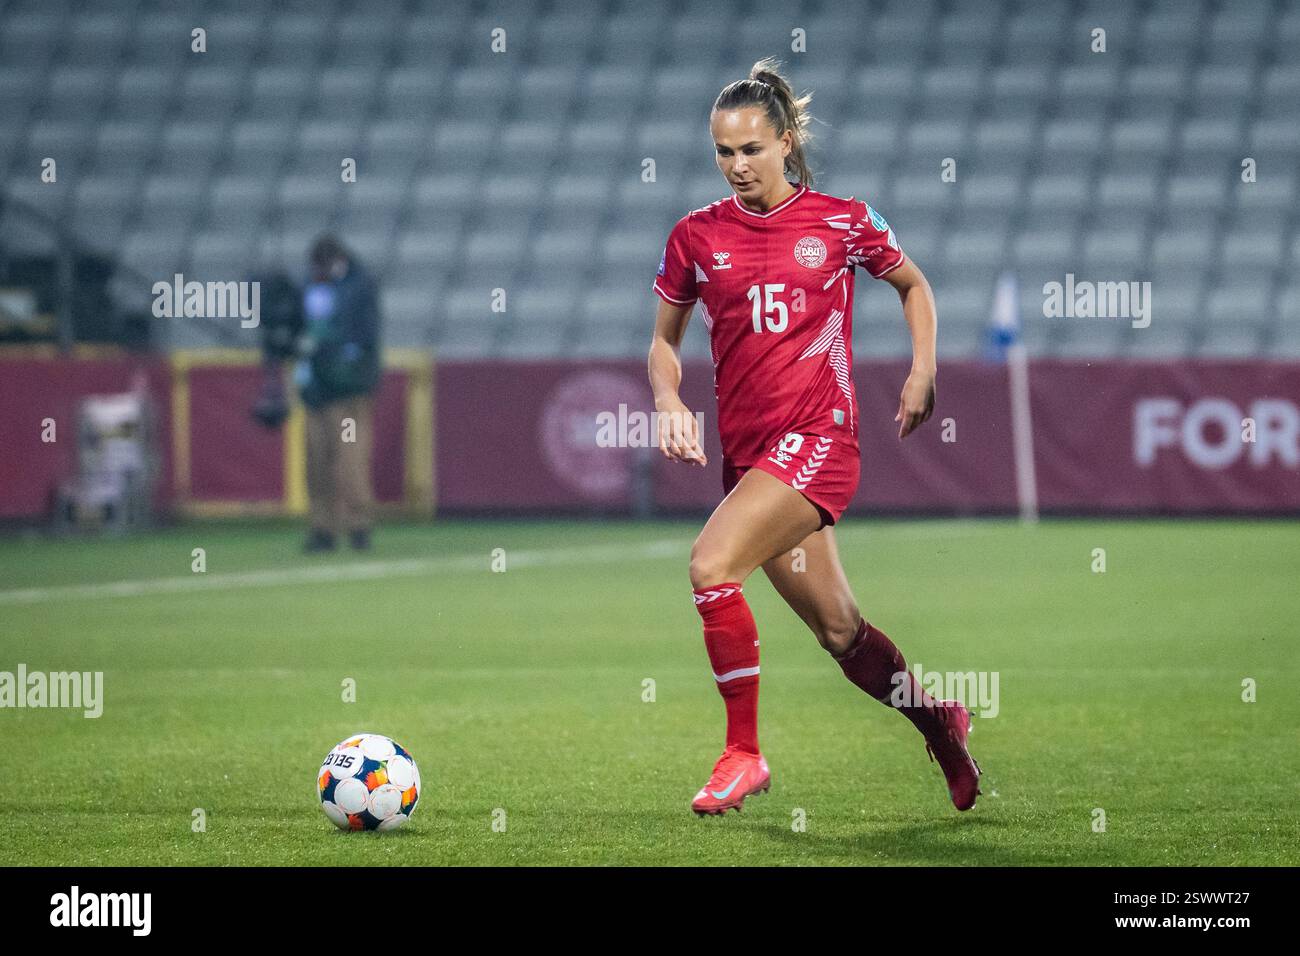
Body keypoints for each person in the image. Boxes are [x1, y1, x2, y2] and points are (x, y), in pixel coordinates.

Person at [647, 59, 981, 815]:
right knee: (841, 632)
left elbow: (913, 285)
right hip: (751, 461)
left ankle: (743, 754)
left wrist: (922, 369)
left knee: (709, 567)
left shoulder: (842, 221)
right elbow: (664, 340)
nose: (737, 166)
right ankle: (940, 722)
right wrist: (667, 398)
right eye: (724, 152)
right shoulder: (696, 236)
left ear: (787, 143)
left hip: (819, 441)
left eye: (751, 149)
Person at [296, 235, 381, 552]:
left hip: (348, 392)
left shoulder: (359, 286)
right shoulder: (312, 286)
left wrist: (328, 348)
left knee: (349, 460)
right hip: (317, 390)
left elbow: (362, 336)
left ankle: (358, 525)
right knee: (316, 462)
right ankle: (322, 528)